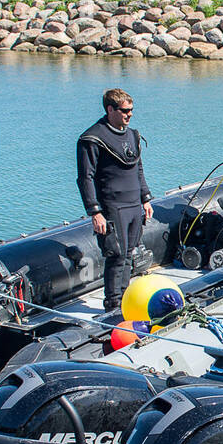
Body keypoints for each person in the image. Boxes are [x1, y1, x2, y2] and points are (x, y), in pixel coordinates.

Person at [77, 89, 153, 312]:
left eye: (131, 111)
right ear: (110, 109)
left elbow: (138, 168)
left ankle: (124, 299)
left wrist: (145, 198)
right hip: (113, 206)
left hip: (133, 204)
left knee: (129, 254)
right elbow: (85, 178)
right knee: (116, 254)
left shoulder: (132, 135)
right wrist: (94, 211)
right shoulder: (92, 138)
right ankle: (112, 304)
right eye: (125, 111)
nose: (130, 115)